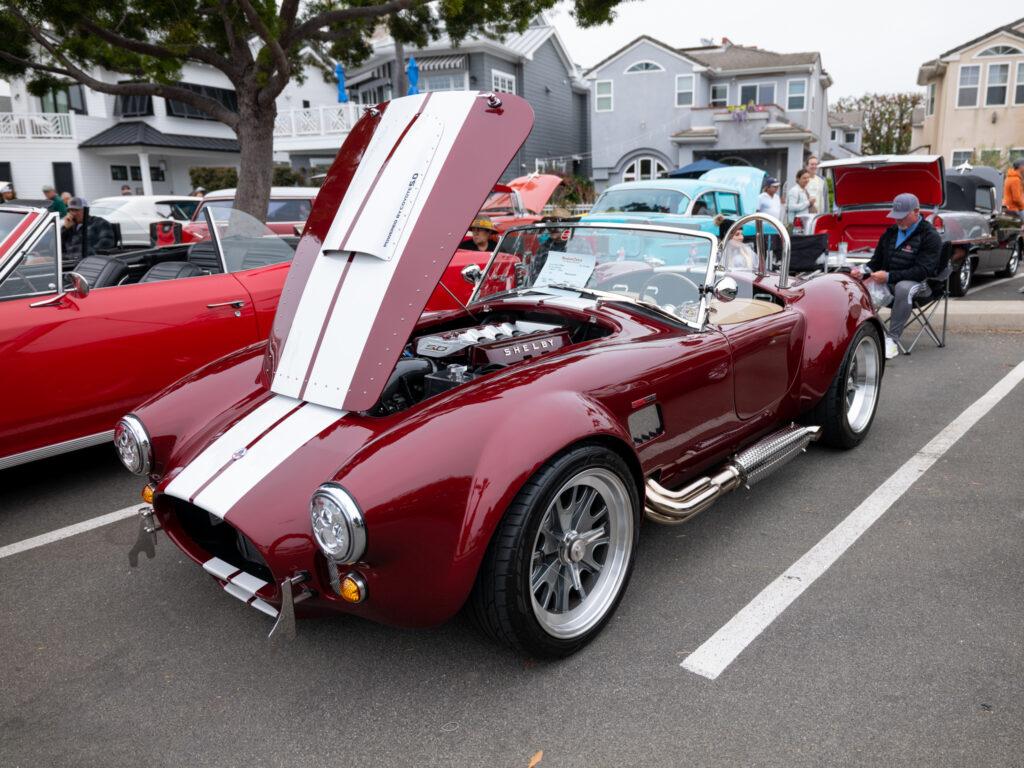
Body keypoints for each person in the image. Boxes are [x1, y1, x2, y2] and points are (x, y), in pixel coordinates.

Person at [851, 192, 941, 360]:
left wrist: (889, 276)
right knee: (855, 287)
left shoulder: (930, 236)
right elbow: (876, 261)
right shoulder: (890, 232)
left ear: (916, 211)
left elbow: (923, 271)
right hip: (889, 280)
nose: (898, 220)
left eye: (903, 216)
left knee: (903, 288)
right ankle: (856, 334)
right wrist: (862, 270)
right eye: (896, 216)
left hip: (921, 284)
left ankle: (892, 340)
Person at [61, 197, 116, 265]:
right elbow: (55, 247)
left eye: (76, 210)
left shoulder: (99, 222)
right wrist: (65, 228)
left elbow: (107, 242)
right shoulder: (69, 226)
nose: (73, 213)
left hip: (88, 263)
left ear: (86, 210)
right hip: (68, 263)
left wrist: (88, 256)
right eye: (71, 210)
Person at [1002, 158, 1024, 223]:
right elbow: (1016, 198)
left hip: (1008, 207)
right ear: (1021, 167)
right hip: (1014, 208)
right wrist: (1023, 206)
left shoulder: (1009, 177)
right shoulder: (1015, 179)